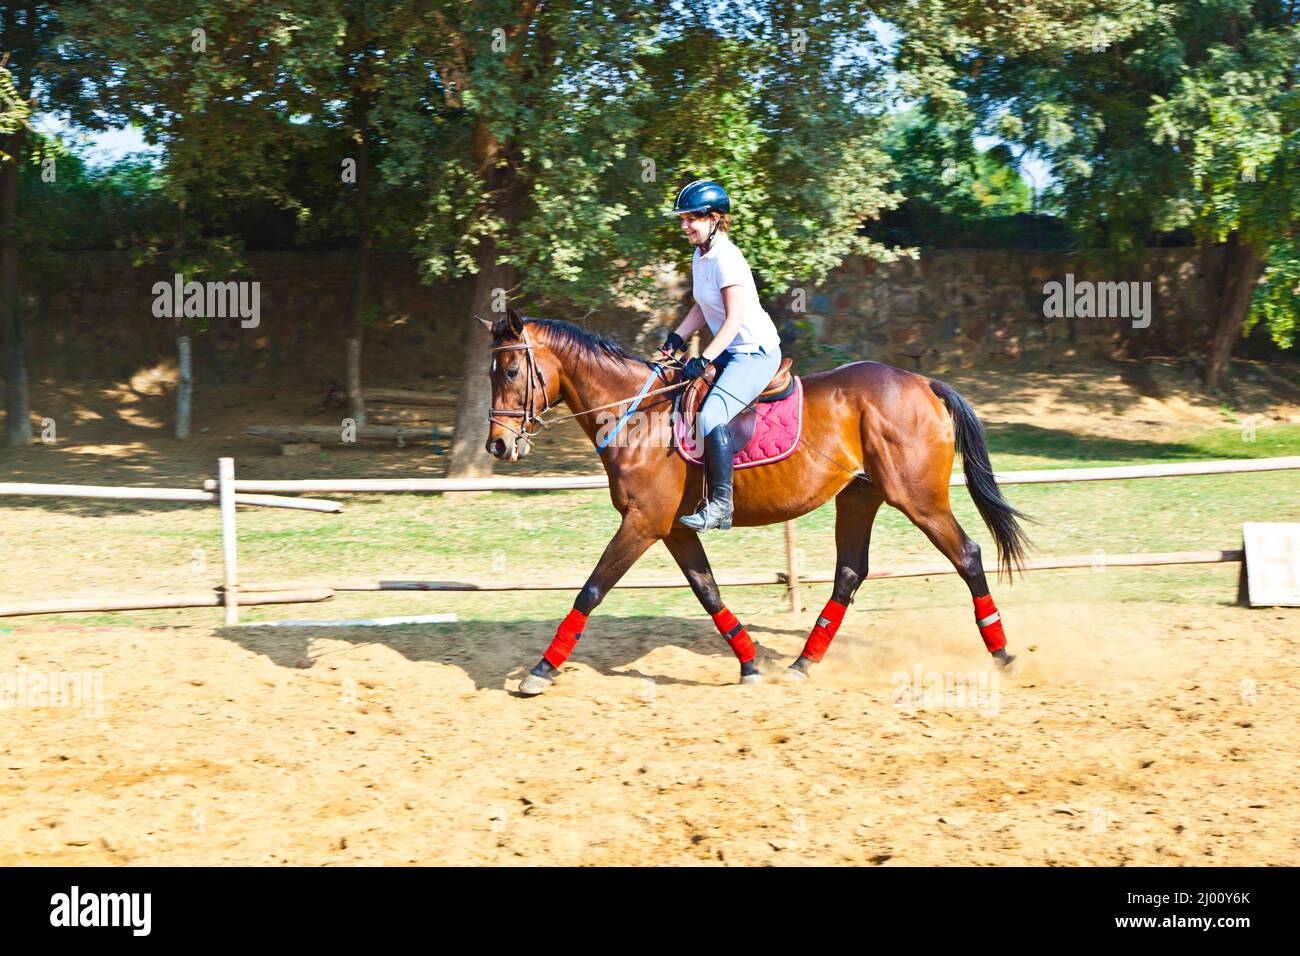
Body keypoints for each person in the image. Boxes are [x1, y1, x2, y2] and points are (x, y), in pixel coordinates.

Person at [659, 179, 783, 532]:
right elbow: (702, 306)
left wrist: (704, 357)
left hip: (754, 353)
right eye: (682, 219)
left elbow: (735, 318)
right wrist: (676, 339)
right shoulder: (700, 256)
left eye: (691, 219)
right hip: (730, 351)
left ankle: (721, 506)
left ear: (714, 219)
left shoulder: (727, 258)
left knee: (711, 414)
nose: (684, 226)